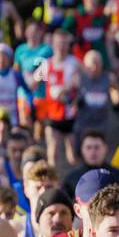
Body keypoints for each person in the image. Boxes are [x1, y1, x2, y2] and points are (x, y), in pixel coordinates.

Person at [31, 28, 82, 169]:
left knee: (72, 155)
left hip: (69, 113)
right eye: (59, 43)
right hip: (51, 113)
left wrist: (72, 89)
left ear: (68, 45)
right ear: (53, 44)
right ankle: (53, 184)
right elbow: (32, 83)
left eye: (65, 43)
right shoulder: (46, 64)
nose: (61, 46)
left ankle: (77, 181)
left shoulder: (75, 63)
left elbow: (83, 83)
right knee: (52, 151)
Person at [0, 45, 31, 128]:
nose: (1, 60)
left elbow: (28, 92)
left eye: (5, 57)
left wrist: (29, 105)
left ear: (10, 60)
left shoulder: (16, 75)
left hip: (13, 119)